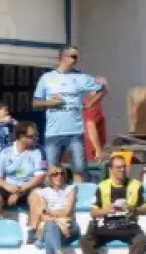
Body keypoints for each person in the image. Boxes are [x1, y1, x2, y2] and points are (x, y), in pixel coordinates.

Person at [31, 45, 104, 175]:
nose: (76, 60)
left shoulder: (81, 78)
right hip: (53, 133)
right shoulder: (47, 78)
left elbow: (103, 89)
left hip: (75, 132)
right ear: (63, 57)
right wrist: (50, 103)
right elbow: (35, 103)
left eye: (77, 57)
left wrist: (89, 104)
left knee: (79, 170)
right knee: (51, 171)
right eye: (73, 56)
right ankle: (52, 195)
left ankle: (79, 193)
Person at [82, 155, 146, 254]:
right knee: (84, 240)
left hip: (128, 225)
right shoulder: (102, 186)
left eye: (124, 167)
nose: (122, 170)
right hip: (107, 225)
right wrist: (105, 210)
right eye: (118, 167)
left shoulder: (136, 185)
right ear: (111, 170)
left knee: (141, 241)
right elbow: (93, 212)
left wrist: (133, 209)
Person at [0, 124, 46, 228]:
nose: (36, 138)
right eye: (32, 136)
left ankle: (33, 230)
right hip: (9, 187)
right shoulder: (5, 151)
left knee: (38, 194)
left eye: (37, 136)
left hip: (28, 187)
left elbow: (40, 177)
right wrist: (7, 186)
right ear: (21, 137)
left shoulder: (40, 150)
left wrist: (19, 191)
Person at [33, 164, 78, 254]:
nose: (59, 176)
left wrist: (50, 212)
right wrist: (58, 221)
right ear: (50, 177)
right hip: (58, 225)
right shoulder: (43, 192)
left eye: (62, 173)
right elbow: (43, 216)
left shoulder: (70, 189)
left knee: (49, 229)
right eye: (55, 174)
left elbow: (67, 212)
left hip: (70, 226)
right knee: (50, 225)